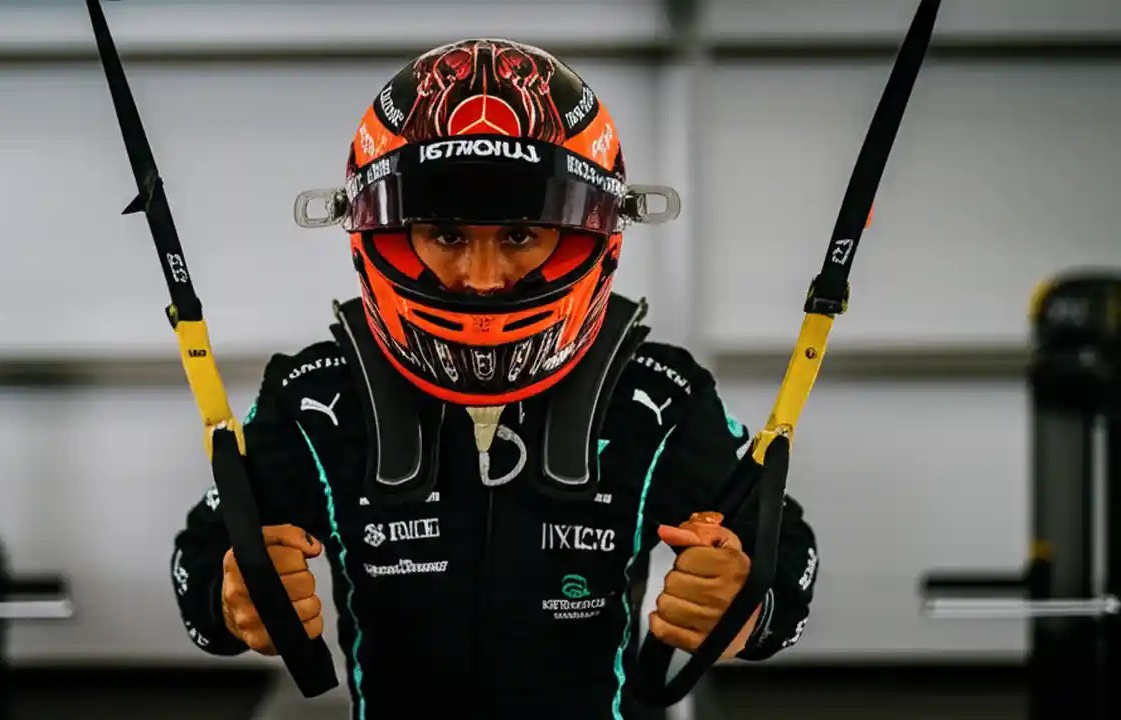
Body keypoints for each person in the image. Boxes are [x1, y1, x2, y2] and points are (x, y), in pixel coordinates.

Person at [169, 38, 819, 720]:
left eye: (520, 235)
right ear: (383, 236)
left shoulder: (657, 394)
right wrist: (229, 598)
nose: (482, 281)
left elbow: (785, 544)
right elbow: (200, 559)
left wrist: (751, 605)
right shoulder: (314, 396)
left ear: (589, 235)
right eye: (447, 236)